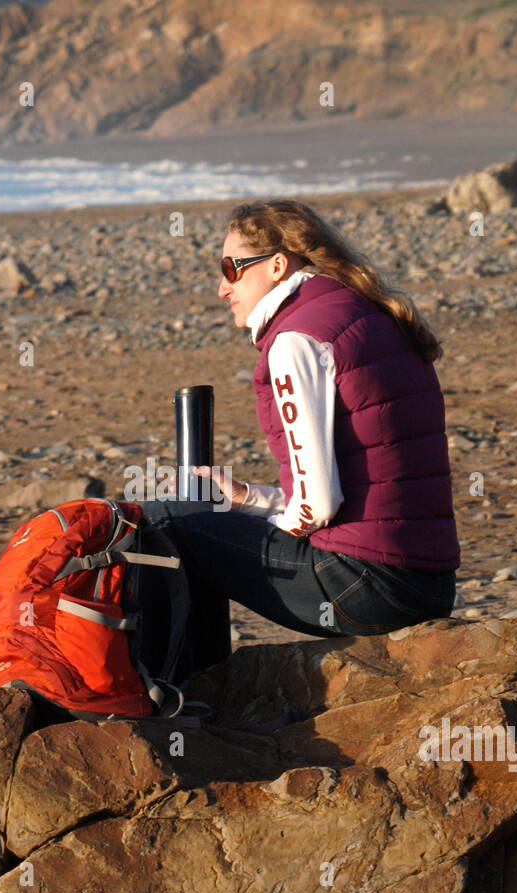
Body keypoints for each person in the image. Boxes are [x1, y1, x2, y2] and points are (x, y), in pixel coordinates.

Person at [138, 198, 460, 685]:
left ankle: (182, 699)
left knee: (165, 525)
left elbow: (318, 506)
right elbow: (345, 488)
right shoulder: (364, 313)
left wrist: (250, 535)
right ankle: (200, 691)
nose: (222, 287)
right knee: (202, 525)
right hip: (428, 584)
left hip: (363, 586)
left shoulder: (296, 340)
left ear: (277, 265)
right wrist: (251, 502)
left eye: (232, 268)